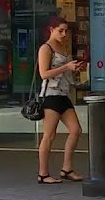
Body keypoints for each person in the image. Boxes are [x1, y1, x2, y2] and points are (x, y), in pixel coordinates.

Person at [35, 18, 84, 184]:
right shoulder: (46, 48)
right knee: (49, 135)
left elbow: (65, 72)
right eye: (60, 30)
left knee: (76, 130)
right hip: (50, 95)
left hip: (63, 94)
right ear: (51, 30)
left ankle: (67, 168)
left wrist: (74, 69)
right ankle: (43, 173)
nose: (64, 34)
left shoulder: (63, 47)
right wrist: (66, 67)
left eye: (65, 31)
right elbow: (44, 73)